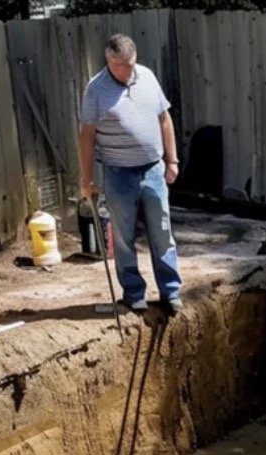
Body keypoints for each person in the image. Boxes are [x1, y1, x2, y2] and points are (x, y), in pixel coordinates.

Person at [77, 34, 183, 314]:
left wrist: (172, 160)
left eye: (131, 63)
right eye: (121, 65)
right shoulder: (95, 90)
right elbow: (87, 137)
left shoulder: (146, 76)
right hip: (118, 173)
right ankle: (134, 293)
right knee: (123, 236)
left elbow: (164, 119)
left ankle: (170, 292)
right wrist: (86, 179)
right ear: (109, 61)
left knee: (161, 232)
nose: (128, 70)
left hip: (152, 169)